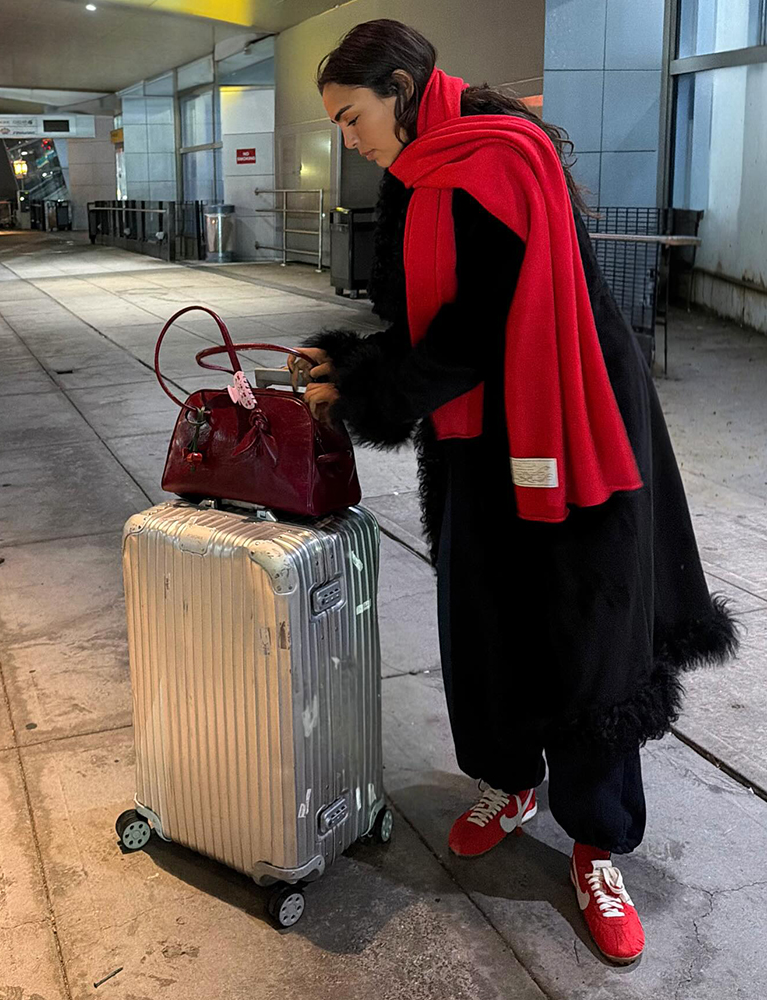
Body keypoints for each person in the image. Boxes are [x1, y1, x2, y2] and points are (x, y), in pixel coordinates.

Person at [289, 19, 738, 965]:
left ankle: (597, 843)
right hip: (476, 439)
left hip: (570, 426)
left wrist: (372, 388)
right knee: (486, 619)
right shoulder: (417, 175)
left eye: (352, 116)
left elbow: (478, 326)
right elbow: (419, 318)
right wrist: (348, 361)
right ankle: (508, 780)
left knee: (588, 641)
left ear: (403, 89)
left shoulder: (498, 157)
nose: (348, 138)